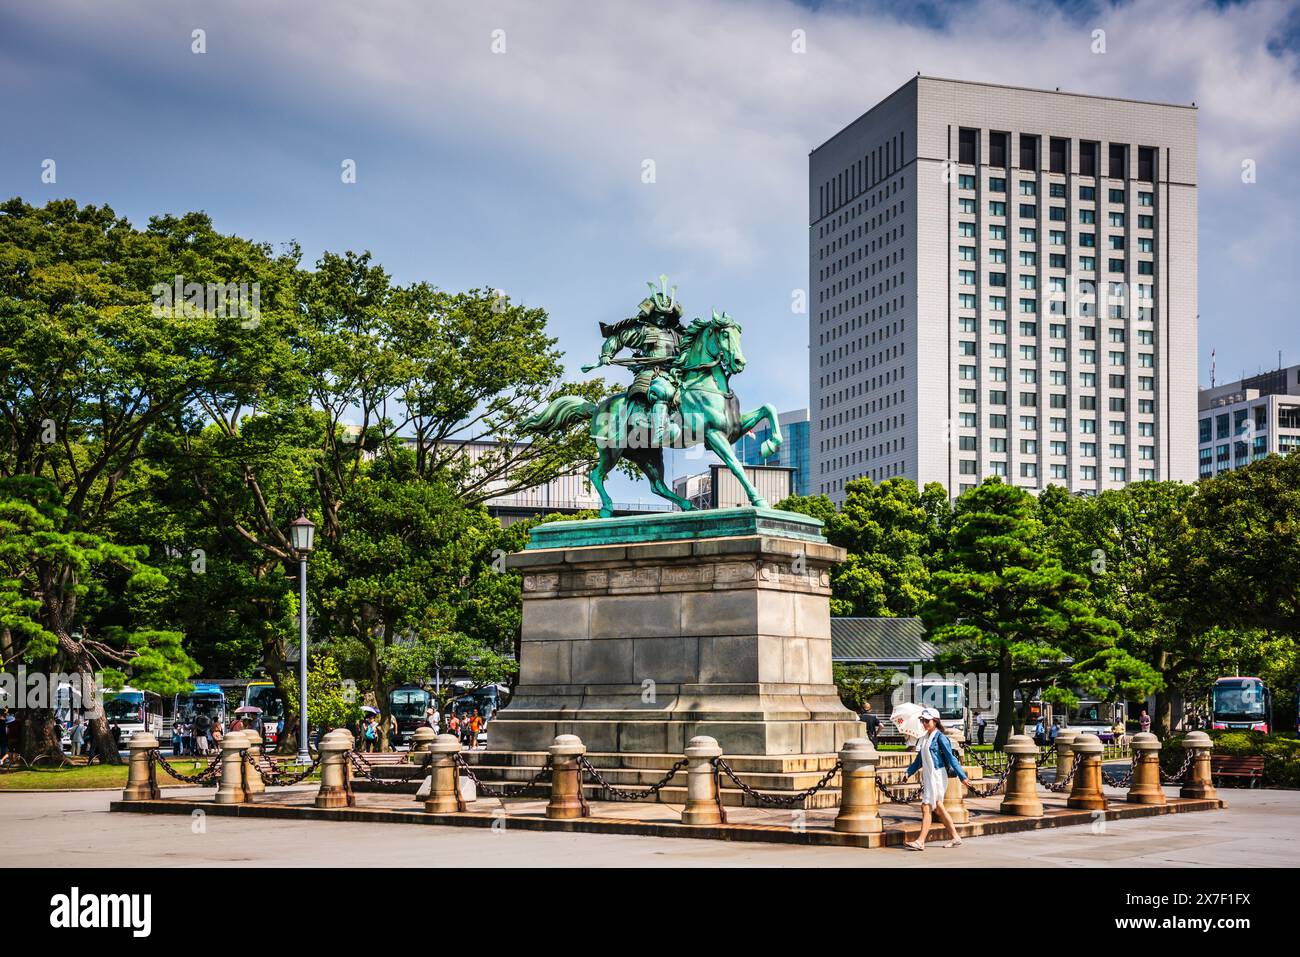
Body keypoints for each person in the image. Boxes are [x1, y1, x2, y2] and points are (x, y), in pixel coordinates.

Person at [904, 708, 971, 850]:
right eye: (922, 720)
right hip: (929, 776)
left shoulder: (941, 737)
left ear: (935, 721)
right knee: (939, 808)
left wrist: (962, 776)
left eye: (926, 721)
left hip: (938, 776)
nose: (924, 723)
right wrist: (908, 772)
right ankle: (955, 837)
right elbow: (919, 760)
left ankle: (920, 841)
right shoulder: (925, 738)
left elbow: (951, 758)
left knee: (926, 806)